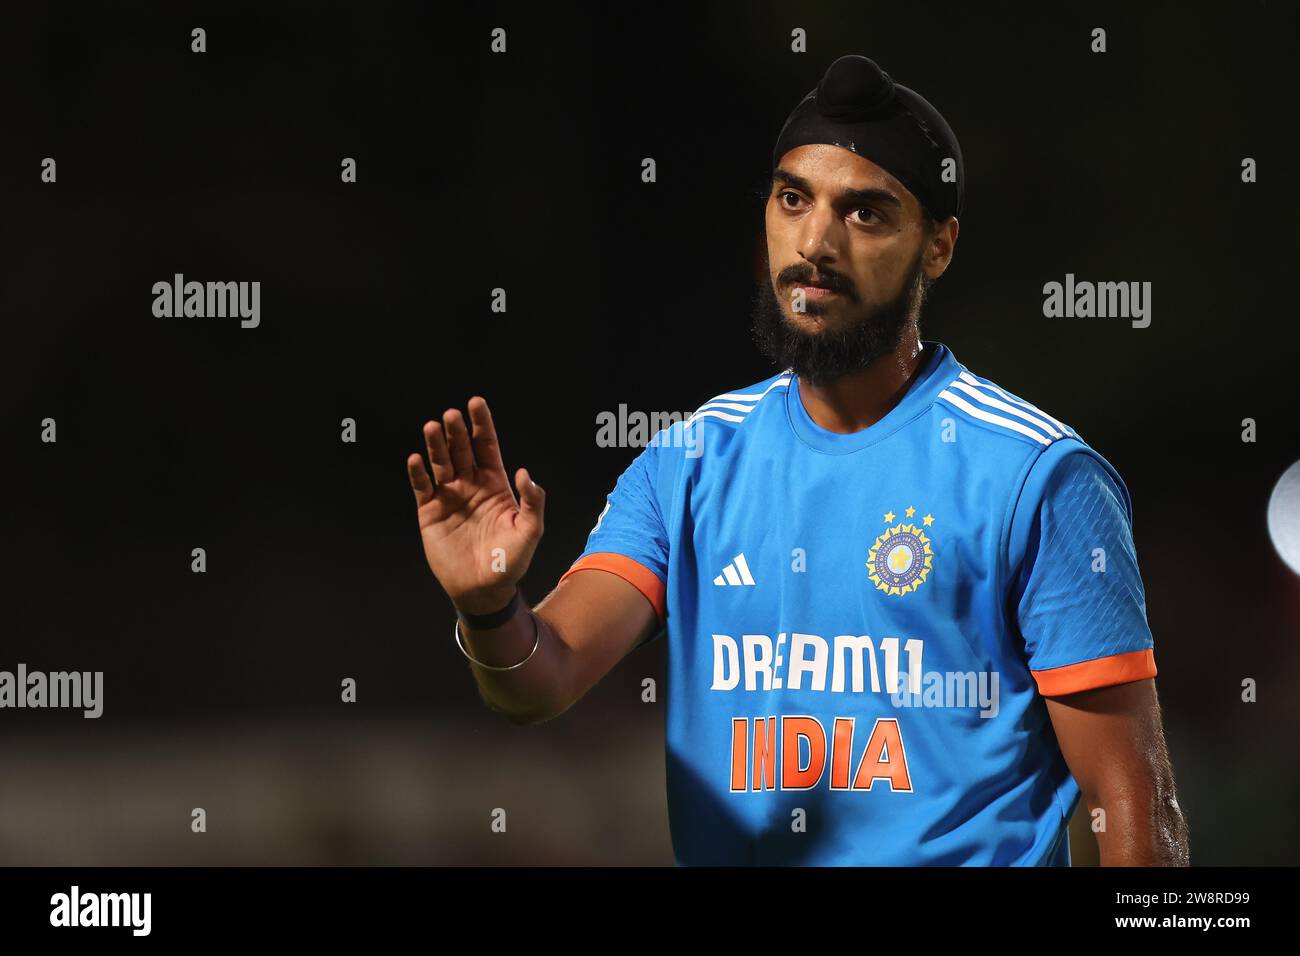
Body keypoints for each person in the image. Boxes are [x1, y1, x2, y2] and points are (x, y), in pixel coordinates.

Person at [406, 55, 1189, 866]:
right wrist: (491, 606)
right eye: (793, 200)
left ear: (938, 247)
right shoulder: (691, 461)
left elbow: (1132, 803)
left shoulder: (1039, 477)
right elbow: (539, 681)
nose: (815, 241)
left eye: (866, 213)